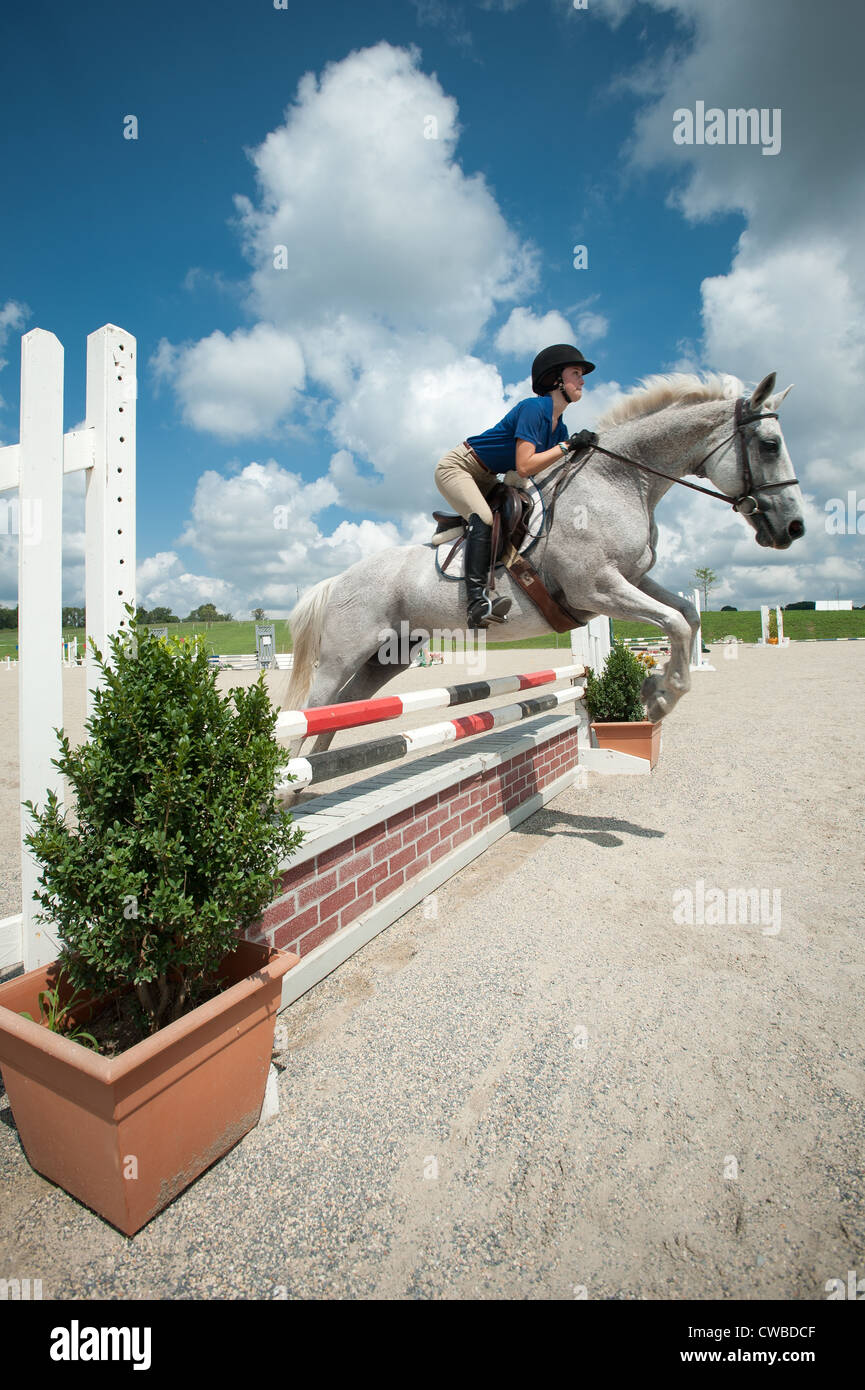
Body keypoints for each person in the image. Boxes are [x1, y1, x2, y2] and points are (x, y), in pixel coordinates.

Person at [435, 345, 598, 628]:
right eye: (576, 373)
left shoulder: (559, 427)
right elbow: (525, 466)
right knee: (484, 519)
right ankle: (476, 604)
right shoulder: (535, 408)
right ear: (556, 380)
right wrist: (568, 445)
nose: (582, 380)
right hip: (459, 468)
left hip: (488, 478)